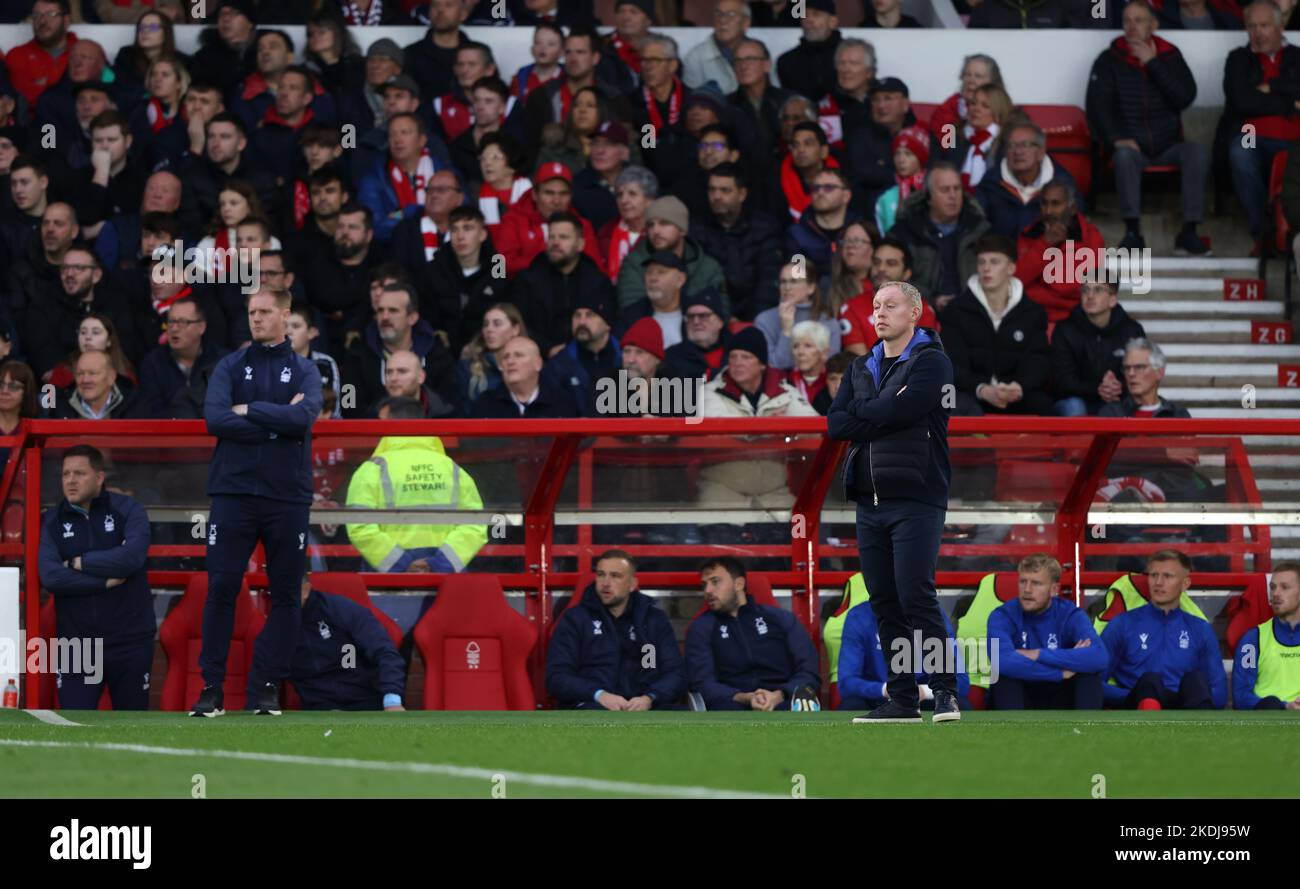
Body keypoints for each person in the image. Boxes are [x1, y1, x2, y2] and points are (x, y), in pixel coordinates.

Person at [827, 280, 959, 723]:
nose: (879, 313)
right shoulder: (860, 365)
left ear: (915, 313)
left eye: (891, 306)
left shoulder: (933, 362)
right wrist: (880, 409)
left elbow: (897, 412)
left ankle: (944, 692)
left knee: (915, 595)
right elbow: (835, 424)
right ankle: (903, 699)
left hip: (918, 497)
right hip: (869, 501)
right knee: (883, 600)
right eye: (876, 306)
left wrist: (870, 411)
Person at [191, 288, 324, 718]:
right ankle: (211, 688)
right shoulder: (229, 365)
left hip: (287, 496)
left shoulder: (306, 370)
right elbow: (215, 419)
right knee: (222, 587)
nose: (257, 319)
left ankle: (267, 688)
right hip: (232, 492)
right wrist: (275, 422)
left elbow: (304, 418)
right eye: (252, 312)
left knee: (286, 593)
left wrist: (248, 411)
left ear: (286, 314)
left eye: (266, 312)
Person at [38, 445, 153, 710]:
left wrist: (79, 563)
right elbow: (52, 577)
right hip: (77, 645)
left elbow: (132, 559)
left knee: (133, 729)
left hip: (129, 640)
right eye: (66, 474)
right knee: (74, 728)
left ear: (99, 477)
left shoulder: (128, 509)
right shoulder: (52, 520)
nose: (71, 480)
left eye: (79, 473)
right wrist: (103, 581)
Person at [1088, 0, 1208, 254]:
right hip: (1131, 147)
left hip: (1168, 145)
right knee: (1123, 156)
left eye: (1139, 20)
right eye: (1127, 21)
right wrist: (1117, 138)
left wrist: (1153, 63)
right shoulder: (1109, 59)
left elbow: (1186, 96)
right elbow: (1099, 108)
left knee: (1195, 151)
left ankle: (1190, 232)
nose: (1131, 27)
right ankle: (1132, 232)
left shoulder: (1169, 55)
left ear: (1154, 25)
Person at [345, 398, 486, 574]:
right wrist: (439, 564)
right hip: (446, 576)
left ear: (389, 425)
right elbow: (475, 524)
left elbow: (359, 527)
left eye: (379, 423)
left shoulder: (370, 470)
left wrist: (402, 564)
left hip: (386, 578)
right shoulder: (452, 469)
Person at [546, 550, 686, 710]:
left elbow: (676, 675)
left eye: (615, 576)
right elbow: (556, 677)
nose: (605, 583)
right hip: (591, 706)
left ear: (632, 584)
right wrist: (599, 695)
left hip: (645, 707)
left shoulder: (653, 619)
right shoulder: (575, 619)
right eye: (600, 575)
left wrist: (650, 697)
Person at [686, 557, 820, 711]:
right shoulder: (701, 628)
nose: (708, 590)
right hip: (731, 705)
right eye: (704, 585)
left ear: (739, 584)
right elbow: (702, 683)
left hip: (784, 700)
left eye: (715, 582)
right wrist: (746, 697)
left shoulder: (780, 619)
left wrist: (779, 695)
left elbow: (809, 670)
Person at [940, 234, 1053, 416]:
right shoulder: (956, 310)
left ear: (1011, 268)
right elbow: (952, 364)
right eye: (982, 262)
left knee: (1048, 407)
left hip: (1017, 395)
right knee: (952, 403)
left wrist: (1018, 387)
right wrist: (982, 389)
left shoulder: (1032, 312)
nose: (986, 268)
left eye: (994, 262)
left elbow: (1038, 360)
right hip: (971, 395)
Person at [1101, 550, 1228, 709]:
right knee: (1149, 682)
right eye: (1153, 575)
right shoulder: (1122, 624)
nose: (1158, 582)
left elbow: (1220, 692)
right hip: (1139, 709)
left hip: (1187, 710)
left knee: (1195, 681)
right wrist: (1133, 696)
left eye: (1168, 576)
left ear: (1185, 584)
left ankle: (1197, 731)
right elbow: (1094, 684)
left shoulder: (1200, 629)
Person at [985, 553, 1108, 710]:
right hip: (1021, 694)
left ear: (1054, 589)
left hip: (1060, 696)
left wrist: (1037, 654)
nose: (1027, 590)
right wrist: (1060, 673)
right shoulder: (1003, 615)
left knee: (1088, 676)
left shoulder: (1070, 614)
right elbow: (1001, 660)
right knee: (1004, 677)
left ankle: (1086, 732)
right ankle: (1012, 733)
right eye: (1023, 582)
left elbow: (1099, 656)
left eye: (1036, 583)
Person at [1224, 0, 1300, 243]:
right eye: (1252, 26)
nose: (1257, 33)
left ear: (1280, 27)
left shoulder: (1297, 57)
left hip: (1295, 136)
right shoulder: (1238, 58)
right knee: (1240, 151)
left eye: (1264, 26)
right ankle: (1263, 230)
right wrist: (1291, 103)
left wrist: (1271, 87)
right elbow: (1243, 102)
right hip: (1250, 129)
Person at [836, 584, 969, 712]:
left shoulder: (934, 617)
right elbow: (847, 683)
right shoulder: (859, 617)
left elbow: (961, 681)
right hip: (878, 698)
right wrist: (885, 689)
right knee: (850, 705)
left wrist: (922, 691)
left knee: (959, 705)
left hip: (924, 698)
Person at [288, 574, 406, 711]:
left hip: (366, 702)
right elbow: (266, 665)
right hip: (319, 708)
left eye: (285, 591)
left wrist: (392, 700)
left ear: (305, 590)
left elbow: (385, 652)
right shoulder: (279, 623)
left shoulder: (343, 610)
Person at [341, 282, 456, 417]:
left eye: (393, 310)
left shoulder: (438, 356)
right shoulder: (356, 357)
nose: (384, 317)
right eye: (380, 310)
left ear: (412, 317)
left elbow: (449, 405)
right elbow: (348, 405)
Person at [511, 211, 615, 356]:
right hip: (539, 358)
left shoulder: (597, 281)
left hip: (586, 357)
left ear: (580, 244)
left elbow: (606, 325)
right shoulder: (528, 279)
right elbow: (519, 324)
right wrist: (548, 349)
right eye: (552, 237)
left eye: (563, 237)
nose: (555, 243)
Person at [689, 163, 782, 322]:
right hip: (711, 317)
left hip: (757, 319)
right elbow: (697, 281)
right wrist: (723, 316)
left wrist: (750, 321)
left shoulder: (765, 228)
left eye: (725, 190)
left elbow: (768, 282)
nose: (716, 196)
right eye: (712, 190)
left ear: (742, 194)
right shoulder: (696, 229)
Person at [893, 164, 992, 312]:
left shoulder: (980, 230)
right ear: (929, 197)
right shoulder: (905, 231)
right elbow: (893, 277)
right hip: (919, 312)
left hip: (974, 312)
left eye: (957, 189)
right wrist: (930, 300)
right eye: (945, 190)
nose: (953, 195)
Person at [615, 195, 726, 316]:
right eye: (651, 225)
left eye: (664, 223)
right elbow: (631, 311)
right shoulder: (634, 264)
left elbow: (721, 313)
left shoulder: (708, 268)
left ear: (682, 230)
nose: (655, 230)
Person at [1051, 279, 1147, 417]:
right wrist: (1098, 389)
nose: (1090, 296)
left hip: (1118, 398)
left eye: (1098, 290)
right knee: (1074, 407)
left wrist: (1119, 387)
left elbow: (1142, 374)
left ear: (1112, 299)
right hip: (1076, 400)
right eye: (1085, 290)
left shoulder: (1132, 331)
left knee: (1123, 407)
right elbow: (1062, 382)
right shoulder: (1065, 330)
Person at [1015, 181, 1105, 323]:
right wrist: (1045, 244)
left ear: (1073, 208)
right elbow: (1016, 282)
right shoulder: (1029, 234)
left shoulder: (1090, 236)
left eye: (1056, 204)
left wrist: (1037, 286)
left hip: (1076, 321)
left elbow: (1077, 288)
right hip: (1034, 320)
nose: (1048, 211)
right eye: (1044, 204)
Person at [975, 120, 1079, 239]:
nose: (1018, 152)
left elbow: (1075, 229)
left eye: (1025, 145)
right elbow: (976, 229)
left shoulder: (1063, 184)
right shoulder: (990, 183)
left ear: (1041, 152)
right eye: (1011, 146)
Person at [137, 296, 228, 418]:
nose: (174, 328)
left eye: (183, 322)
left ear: (201, 327)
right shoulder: (153, 364)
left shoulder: (223, 361)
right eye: (171, 321)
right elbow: (152, 412)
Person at [1233, 560, 1300, 709]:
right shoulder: (1253, 639)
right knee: (1272, 703)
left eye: (1285, 587)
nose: (1276, 593)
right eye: (1273, 587)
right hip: (1264, 723)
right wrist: (1284, 706)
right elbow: (1241, 697)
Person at [754, 259, 843, 370]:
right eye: (783, 282)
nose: (787, 287)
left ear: (811, 288)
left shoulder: (828, 322)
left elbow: (831, 369)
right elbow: (775, 367)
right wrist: (786, 331)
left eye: (794, 281)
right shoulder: (764, 320)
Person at [466, 335, 581, 418]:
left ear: (538, 364)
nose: (510, 361)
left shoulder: (562, 403)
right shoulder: (485, 404)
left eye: (518, 355)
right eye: (505, 357)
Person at [785, 167, 861, 277]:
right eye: (816, 188)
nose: (820, 192)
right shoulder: (796, 235)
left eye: (829, 188)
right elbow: (798, 277)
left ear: (846, 196)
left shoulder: (861, 231)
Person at [456, 302, 525, 405]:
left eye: (497, 324)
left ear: (515, 330)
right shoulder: (466, 368)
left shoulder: (530, 367)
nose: (489, 329)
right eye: (485, 324)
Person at [776, 0, 843, 104]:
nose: (809, 20)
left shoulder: (850, 56)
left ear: (832, 22)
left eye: (816, 14)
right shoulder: (787, 62)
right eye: (804, 15)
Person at [875, 125, 930, 235]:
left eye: (908, 154)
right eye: (897, 154)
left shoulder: (933, 191)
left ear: (921, 158)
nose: (901, 160)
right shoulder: (885, 198)